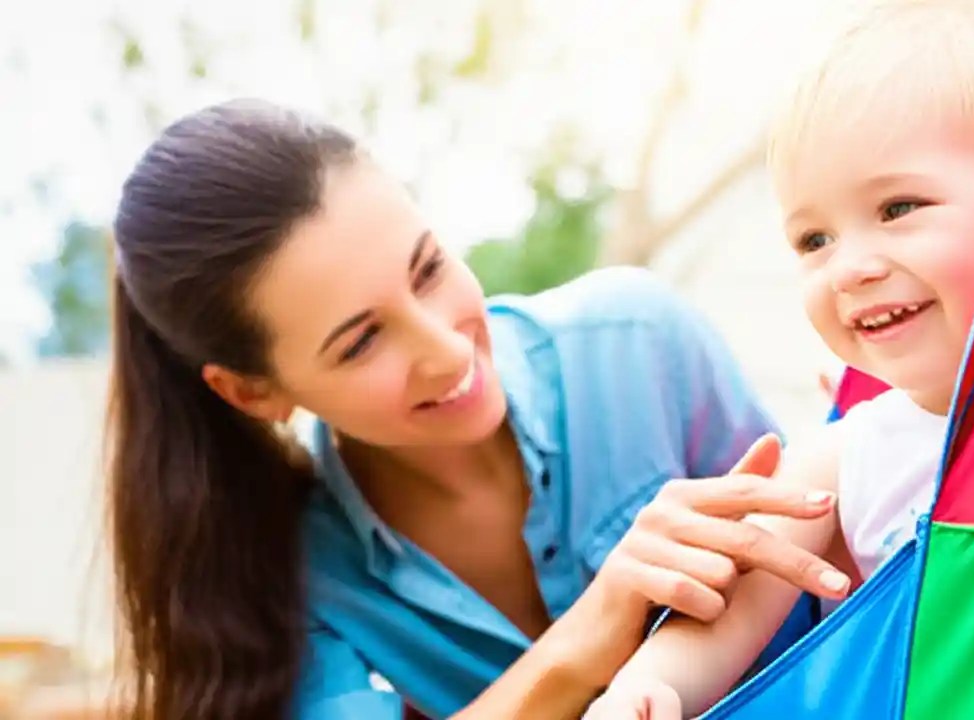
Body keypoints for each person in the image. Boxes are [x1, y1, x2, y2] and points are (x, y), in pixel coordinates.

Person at [105, 99, 856, 720]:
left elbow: (833, 589)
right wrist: (589, 637)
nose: (446, 350)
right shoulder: (290, 577)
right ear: (252, 392)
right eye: (362, 341)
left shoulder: (639, 346)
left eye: (428, 268)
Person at [586, 0, 974, 716]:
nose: (848, 268)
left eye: (897, 209)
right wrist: (648, 686)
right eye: (813, 241)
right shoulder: (847, 458)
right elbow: (722, 620)